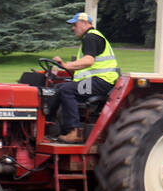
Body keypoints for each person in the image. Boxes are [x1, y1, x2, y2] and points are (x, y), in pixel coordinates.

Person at [48, 12, 120, 143]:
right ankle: (50, 125)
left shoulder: (91, 37)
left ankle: (74, 131)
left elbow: (88, 61)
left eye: (74, 25)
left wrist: (67, 65)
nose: (72, 28)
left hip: (102, 81)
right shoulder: (91, 38)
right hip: (96, 80)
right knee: (57, 88)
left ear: (84, 24)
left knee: (66, 90)